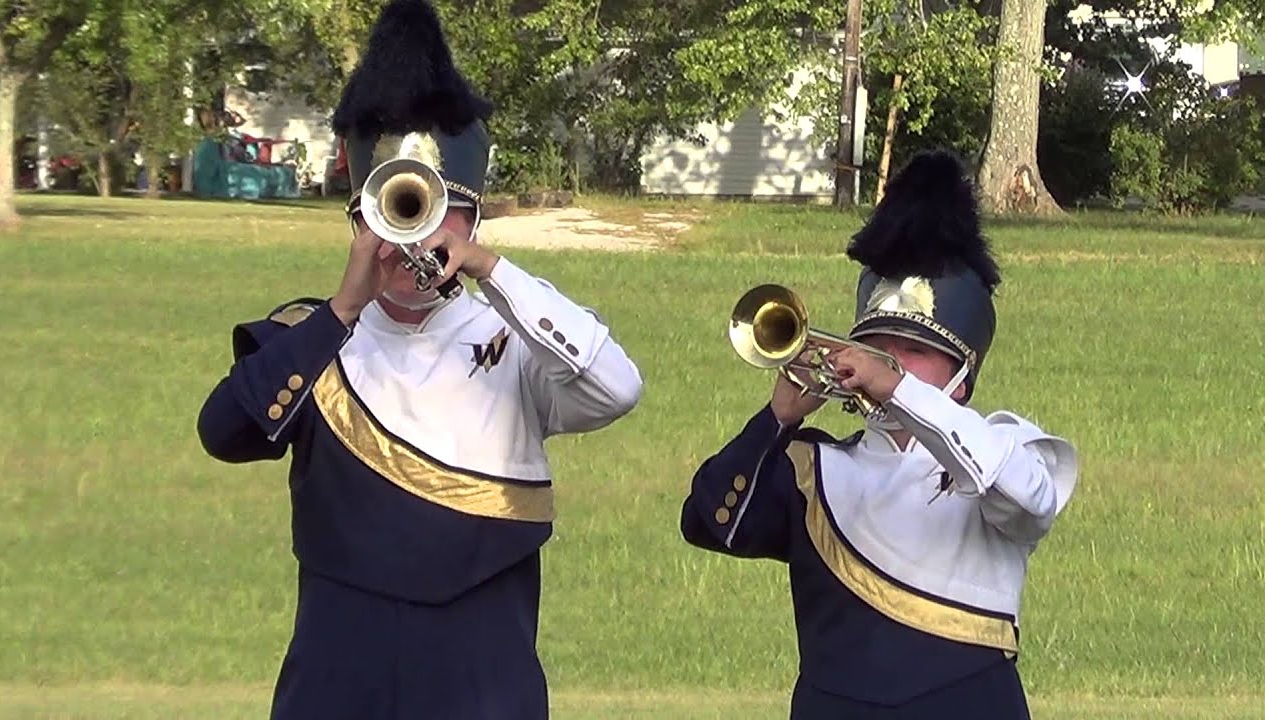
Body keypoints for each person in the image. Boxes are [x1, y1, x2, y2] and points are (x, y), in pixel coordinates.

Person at [195, 1, 643, 717]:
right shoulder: (310, 336)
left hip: (480, 667)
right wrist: (341, 311)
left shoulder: (516, 340)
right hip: (340, 667)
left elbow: (618, 387)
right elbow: (223, 433)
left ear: (471, 220)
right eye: (399, 210)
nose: (417, 234)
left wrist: (492, 270)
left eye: (444, 213)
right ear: (360, 219)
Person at [679, 149, 1078, 719]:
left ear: (961, 379)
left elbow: (1027, 498)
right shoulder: (810, 468)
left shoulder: (1003, 446)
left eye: (915, 353)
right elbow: (710, 523)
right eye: (879, 347)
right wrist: (777, 418)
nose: (886, 363)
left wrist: (898, 390)